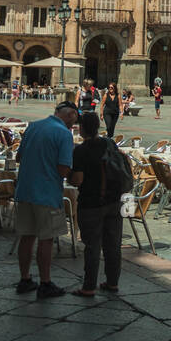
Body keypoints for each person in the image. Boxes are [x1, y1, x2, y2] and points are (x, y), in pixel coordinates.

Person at [12, 101, 77, 299]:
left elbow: (18, 157)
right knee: (46, 239)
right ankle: (45, 283)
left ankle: (24, 279)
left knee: (26, 236)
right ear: (71, 115)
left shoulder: (33, 126)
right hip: (46, 193)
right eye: (75, 118)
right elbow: (64, 168)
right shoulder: (64, 134)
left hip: (24, 191)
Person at [69, 112, 125, 298]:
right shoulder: (110, 144)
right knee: (113, 245)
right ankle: (112, 283)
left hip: (91, 204)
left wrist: (67, 175)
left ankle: (89, 286)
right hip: (114, 201)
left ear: (82, 128)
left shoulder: (80, 151)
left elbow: (77, 180)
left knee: (92, 245)